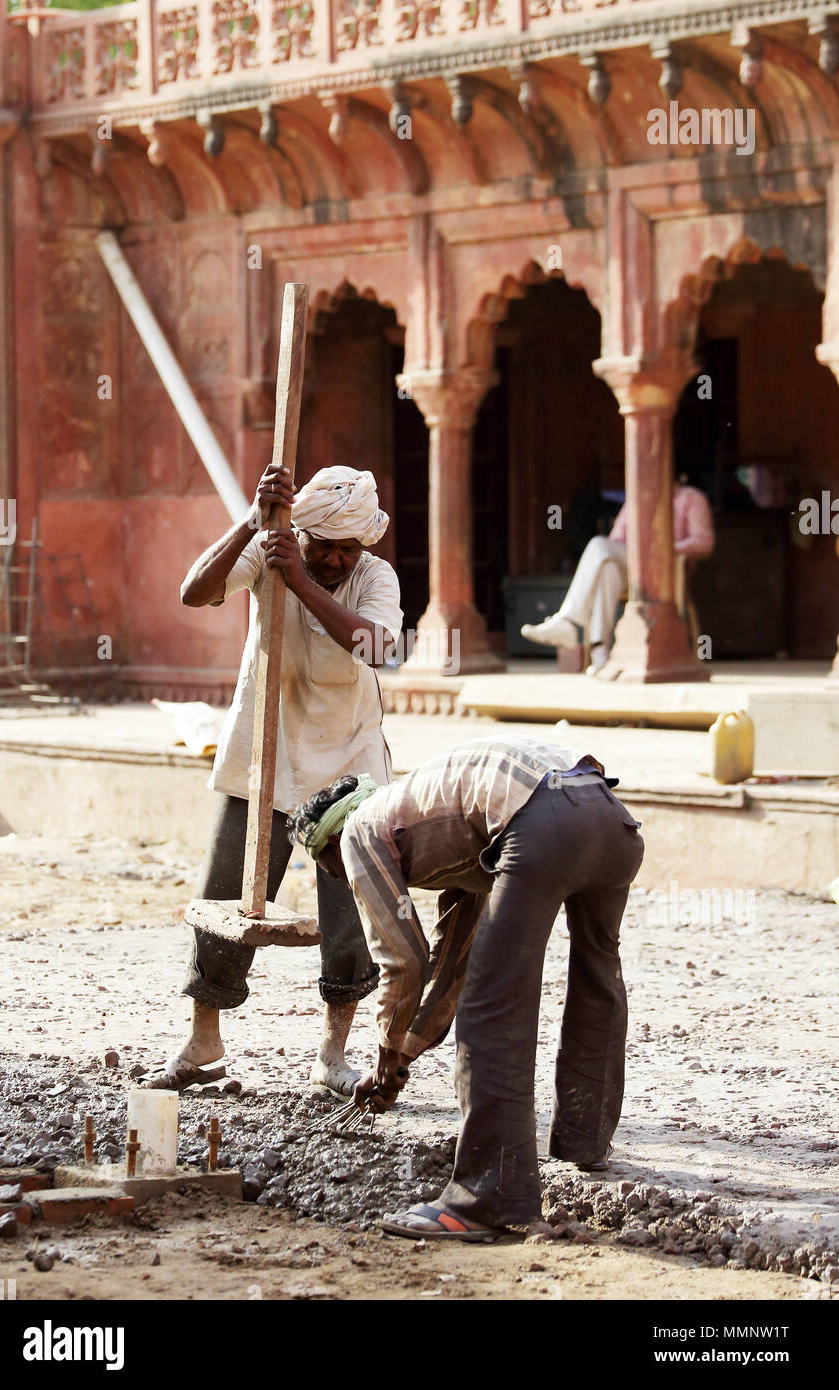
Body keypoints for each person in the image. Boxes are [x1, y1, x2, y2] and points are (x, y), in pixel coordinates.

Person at [286, 733, 644, 1240]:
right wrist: (404, 1053)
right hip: (610, 819)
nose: (341, 881)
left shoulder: (358, 834)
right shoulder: (438, 822)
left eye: (330, 872)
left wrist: (386, 1050)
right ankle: (587, 1140)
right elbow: (453, 957)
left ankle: (484, 1200)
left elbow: (403, 959)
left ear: (329, 846)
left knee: (492, 1009)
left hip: (541, 821)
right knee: (597, 978)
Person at [144, 465, 403, 1098]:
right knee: (226, 896)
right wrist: (252, 523)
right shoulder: (267, 547)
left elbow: (375, 649)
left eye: (349, 547)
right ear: (301, 533)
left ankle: (333, 1053)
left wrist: (301, 580)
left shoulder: (374, 576)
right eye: (324, 546)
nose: (338, 557)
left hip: (349, 770)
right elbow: (194, 592)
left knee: (349, 913)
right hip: (263, 755)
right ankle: (204, 1042)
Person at [521, 479, 715, 674]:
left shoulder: (691, 498)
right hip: (632, 564)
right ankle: (600, 656)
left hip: (666, 566)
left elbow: (704, 543)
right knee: (607, 566)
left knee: (599, 546)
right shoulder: (635, 501)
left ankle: (570, 623)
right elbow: (614, 541)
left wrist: (663, 549)